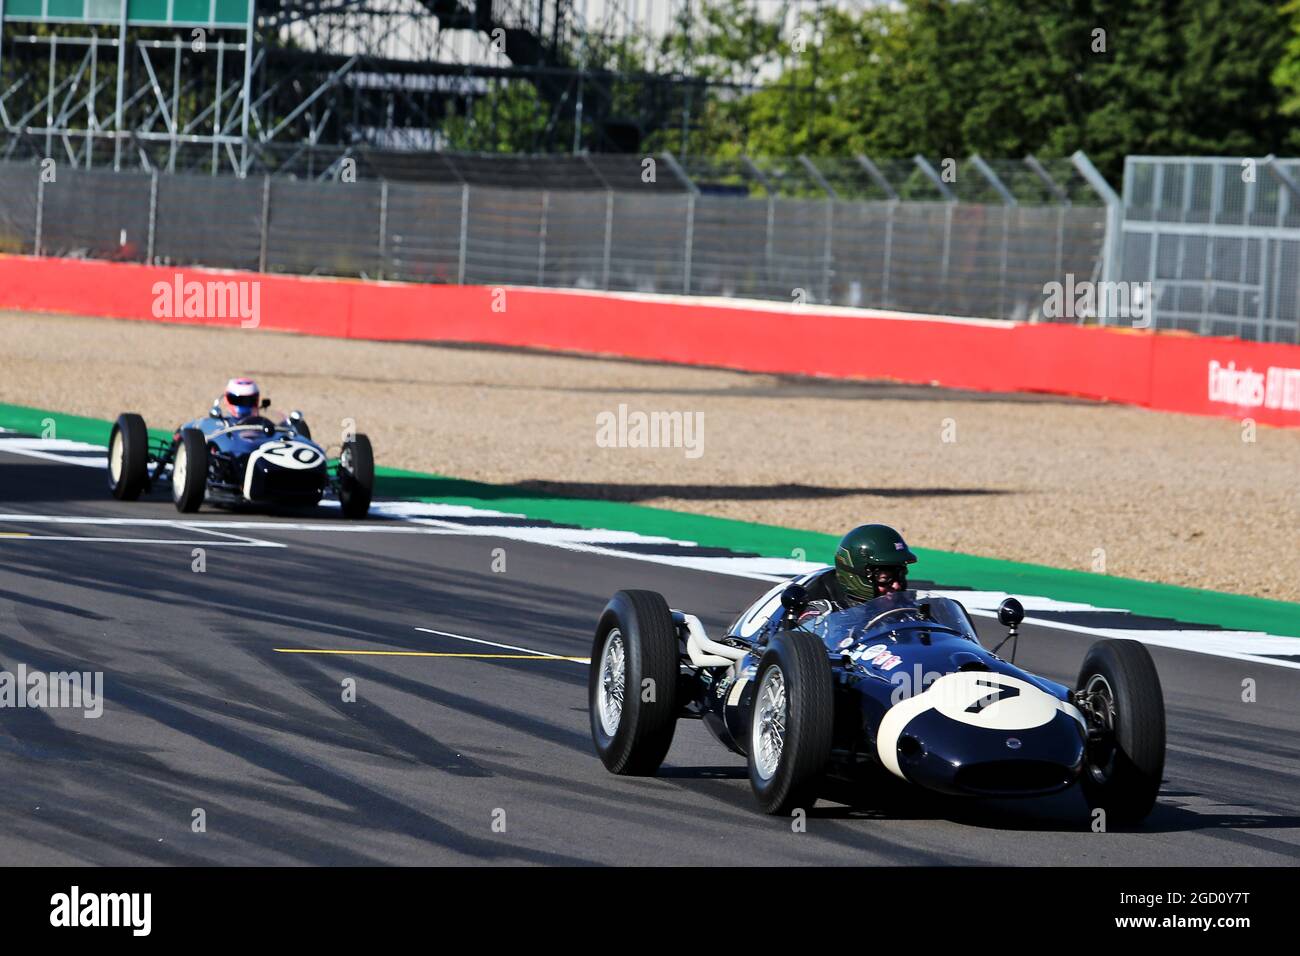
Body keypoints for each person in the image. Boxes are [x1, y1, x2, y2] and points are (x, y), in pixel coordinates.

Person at [798, 523, 917, 621]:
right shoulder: (821, 613)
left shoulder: (907, 607)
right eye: (885, 578)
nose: (896, 585)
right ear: (857, 576)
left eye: (900, 575)